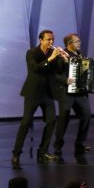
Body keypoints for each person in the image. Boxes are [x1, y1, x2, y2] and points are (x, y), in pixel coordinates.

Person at [12, 29, 61, 169]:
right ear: (41, 40)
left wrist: (63, 59)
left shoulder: (53, 53)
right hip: (33, 93)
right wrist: (50, 59)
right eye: (48, 39)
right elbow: (34, 69)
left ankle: (43, 151)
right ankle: (16, 152)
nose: (51, 42)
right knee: (26, 123)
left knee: (51, 121)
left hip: (47, 93)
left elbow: (56, 71)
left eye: (52, 39)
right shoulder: (32, 53)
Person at [51, 33, 93, 158]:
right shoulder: (60, 55)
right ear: (69, 44)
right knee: (64, 120)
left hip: (79, 92)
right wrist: (65, 80)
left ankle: (80, 143)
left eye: (79, 41)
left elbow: (85, 73)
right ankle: (57, 146)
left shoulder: (80, 55)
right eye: (76, 41)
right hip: (66, 93)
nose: (79, 43)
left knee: (86, 116)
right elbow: (54, 74)